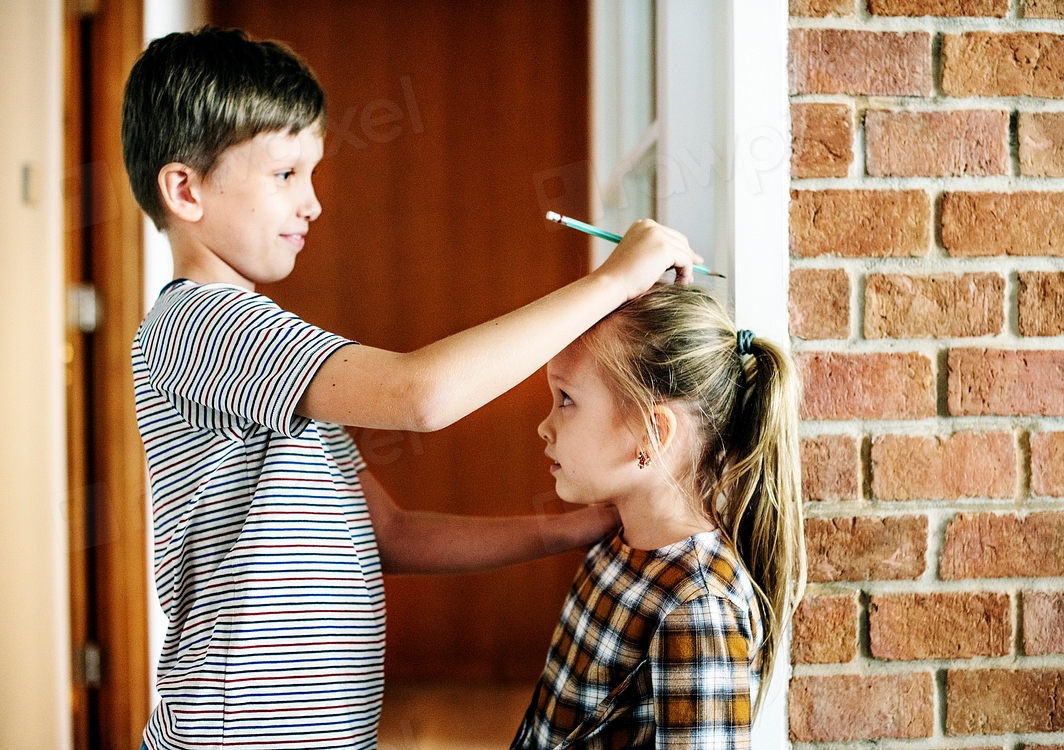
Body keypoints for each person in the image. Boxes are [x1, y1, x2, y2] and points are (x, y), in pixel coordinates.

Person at [122, 26, 700, 750]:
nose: (312, 205)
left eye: (312, 174)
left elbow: (388, 534)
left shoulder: (264, 352)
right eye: (285, 175)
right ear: (186, 189)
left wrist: (565, 530)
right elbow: (421, 396)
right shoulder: (201, 325)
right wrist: (612, 281)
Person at [511, 283, 806, 749]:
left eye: (565, 398)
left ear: (651, 432)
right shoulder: (620, 543)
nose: (545, 426)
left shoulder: (697, 609)